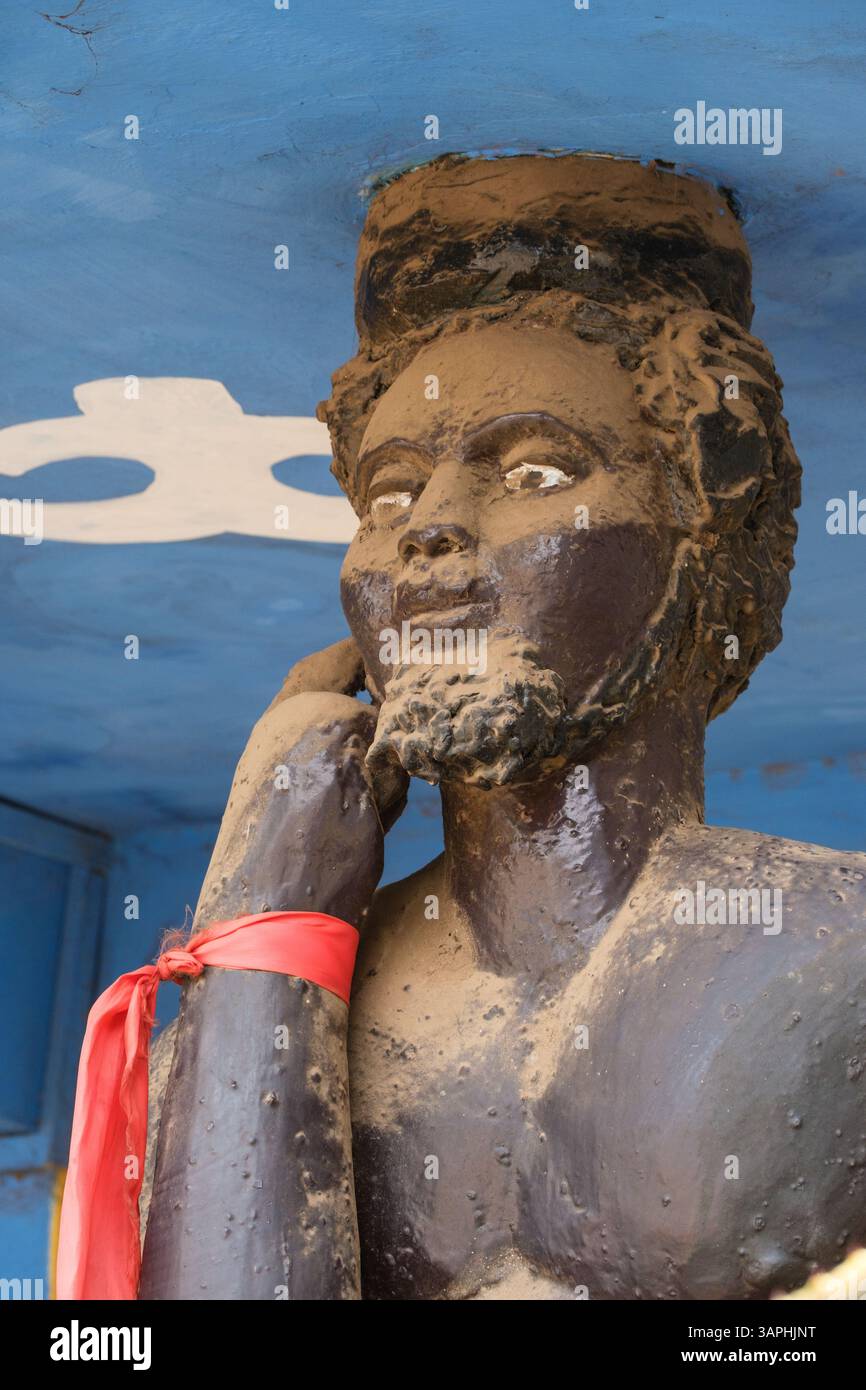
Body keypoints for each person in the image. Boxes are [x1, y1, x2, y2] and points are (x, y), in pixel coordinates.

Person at [140, 155, 866, 1301]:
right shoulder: (252, 1005)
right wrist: (259, 927)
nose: (427, 531)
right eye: (387, 494)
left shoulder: (839, 955)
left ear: (697, 522)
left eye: (533, 468)